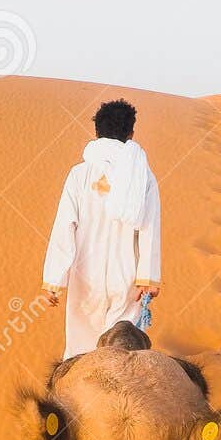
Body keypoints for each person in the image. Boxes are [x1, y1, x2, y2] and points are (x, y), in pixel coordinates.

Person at [41, 99, 161, 358]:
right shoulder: (143, 175)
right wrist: (148, 277)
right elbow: (150, 227)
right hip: (127, 276)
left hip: (86, 276)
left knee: (79, 352)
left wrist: (54, 279)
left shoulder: (80, 174)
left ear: (97, 132)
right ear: (131, 133)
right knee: (121, 352)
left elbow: (65, 225)